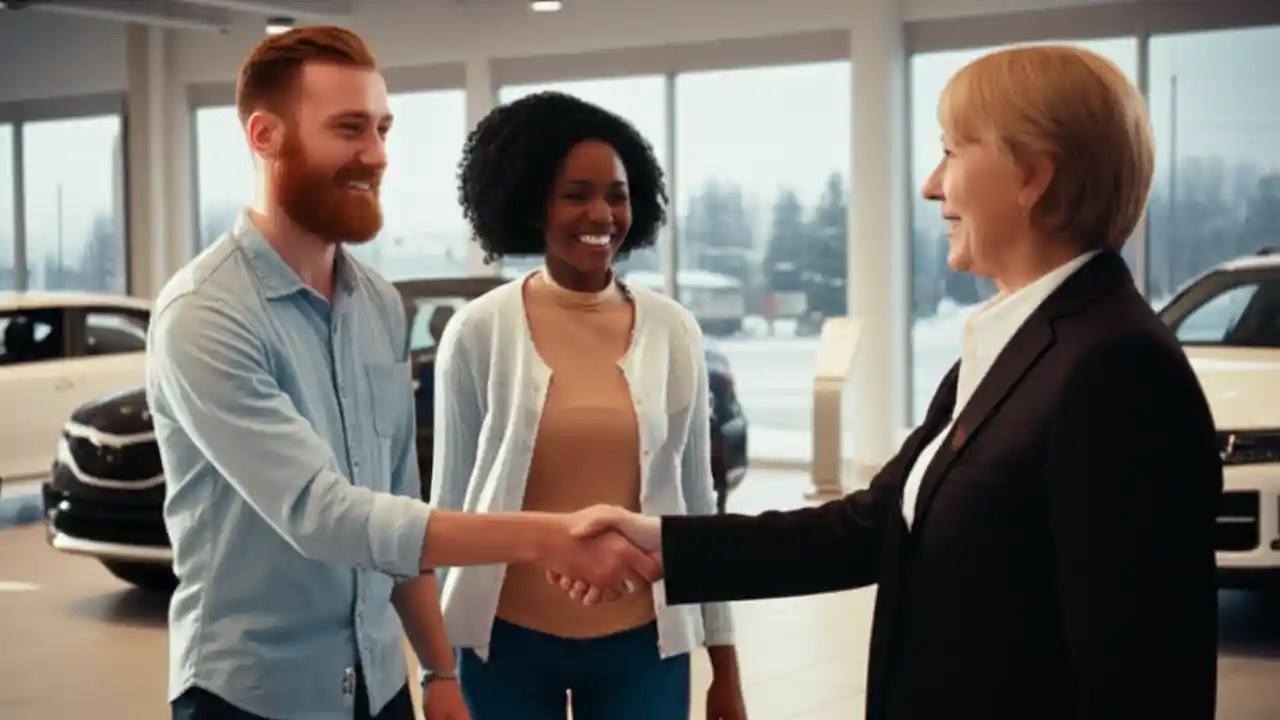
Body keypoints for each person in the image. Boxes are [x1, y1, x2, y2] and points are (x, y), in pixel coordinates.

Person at [556, 45, 1224, 720]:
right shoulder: (1014, 345)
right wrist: (662, 543)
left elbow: (1143, 678)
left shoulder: (1117, 371)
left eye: (953, 152)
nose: (933, 184)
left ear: (1033, 176)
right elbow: (873, 527)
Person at [147, 28, 659, 720]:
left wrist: (438, 671)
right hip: (254, 696)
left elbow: (394, 501)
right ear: (265, 135)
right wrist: (550, 536)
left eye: (383, 129)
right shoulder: (204, 314)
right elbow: (325, 516)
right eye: (350, 128)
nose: (377, 155)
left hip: (379, 683)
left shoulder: (376, 304)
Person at [428, 91, 747, 720]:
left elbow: (696, 509)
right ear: (532, 202)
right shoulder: (476, 332)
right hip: (505, 645)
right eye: (576, 194)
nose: (600, 212)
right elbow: (450, 508)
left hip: (644, 646)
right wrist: (438, 671)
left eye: (617, 194)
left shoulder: (673, 331)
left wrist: (725, 670)